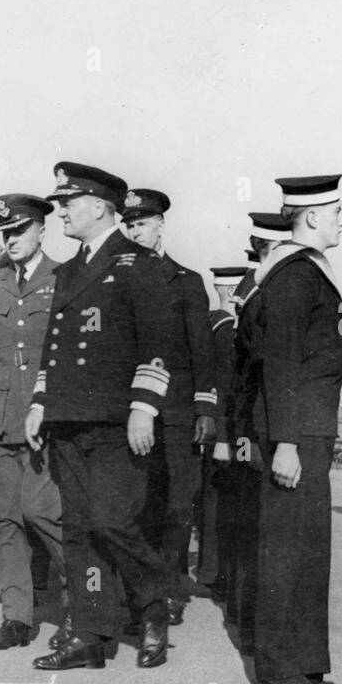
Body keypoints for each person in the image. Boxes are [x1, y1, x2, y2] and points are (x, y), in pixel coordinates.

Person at [24, 161, 174, 672]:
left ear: (99, 207)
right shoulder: (67, 270)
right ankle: (90, 634)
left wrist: (144, 407)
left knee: (114, 522)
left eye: (69, 202)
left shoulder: (137, 264)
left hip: (115, 420)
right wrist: (40, 403)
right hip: (67, 415)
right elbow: (54, 347)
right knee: (80, 530)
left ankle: (154, 605)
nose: (61, 210)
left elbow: (159, 345)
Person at [247, 174, 342, 684]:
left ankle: (307, 663)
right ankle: (280, 671)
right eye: (336, 212)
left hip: (309, 431)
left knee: (309, 550)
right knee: (287, 551)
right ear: (311, 217)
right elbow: (281, 363)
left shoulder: (305, 274)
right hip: (295, 434)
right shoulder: (294, 277)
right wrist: (285, 440)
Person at [0, 193, 66, 651]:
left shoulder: (64, 279)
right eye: (5, 233)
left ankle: (81, 609)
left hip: (44, 419)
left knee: (48, 515)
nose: (12, 239)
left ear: (42, 230)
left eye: (20, 230)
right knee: (4, 521)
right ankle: (17, 618)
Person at [122, 187, 216, 626]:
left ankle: (173, 586)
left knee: (178, 504)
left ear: (161, 224)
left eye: (142, 223)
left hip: (177, 412)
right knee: (137, 504)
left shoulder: (187, 281)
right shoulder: (117, 277)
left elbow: (201, 349)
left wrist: (204, 409)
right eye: (129, 224)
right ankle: (140, 592)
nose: (134, 231)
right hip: (131, 411)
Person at [224, 212, 292, 655]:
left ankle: (242, 613)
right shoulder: (260, 295)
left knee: (249, 524)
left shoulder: (252, 293)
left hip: (248, 425)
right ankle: (249, 622)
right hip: (256, 426)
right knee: (258, 527)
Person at [195, 266, 245, 600]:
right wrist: (226, 437)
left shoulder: (205, 323)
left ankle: (209, 569)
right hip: (222, 432)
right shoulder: (228, 331)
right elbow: (226, 387)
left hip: (209, 428)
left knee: (210, 501)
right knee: (222, 504)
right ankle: (215, 573)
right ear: (229, 292)